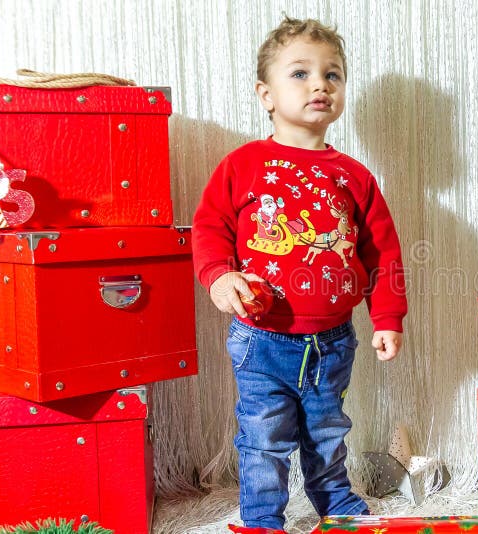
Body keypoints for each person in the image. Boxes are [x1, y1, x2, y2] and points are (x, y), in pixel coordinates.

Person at [192, 16, 408, 531]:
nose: (320, 85)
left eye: (332, 75)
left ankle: (337, 505)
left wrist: (388, 317)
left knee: (327, 428)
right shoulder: (243, 165)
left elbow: (383, 252)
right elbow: (208, 227)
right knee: (264, 434)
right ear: (265, 95)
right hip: (261, 336)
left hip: (333, 340)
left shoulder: (353, 175)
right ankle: (262, 518)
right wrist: (220, 277)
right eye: (301, 73)